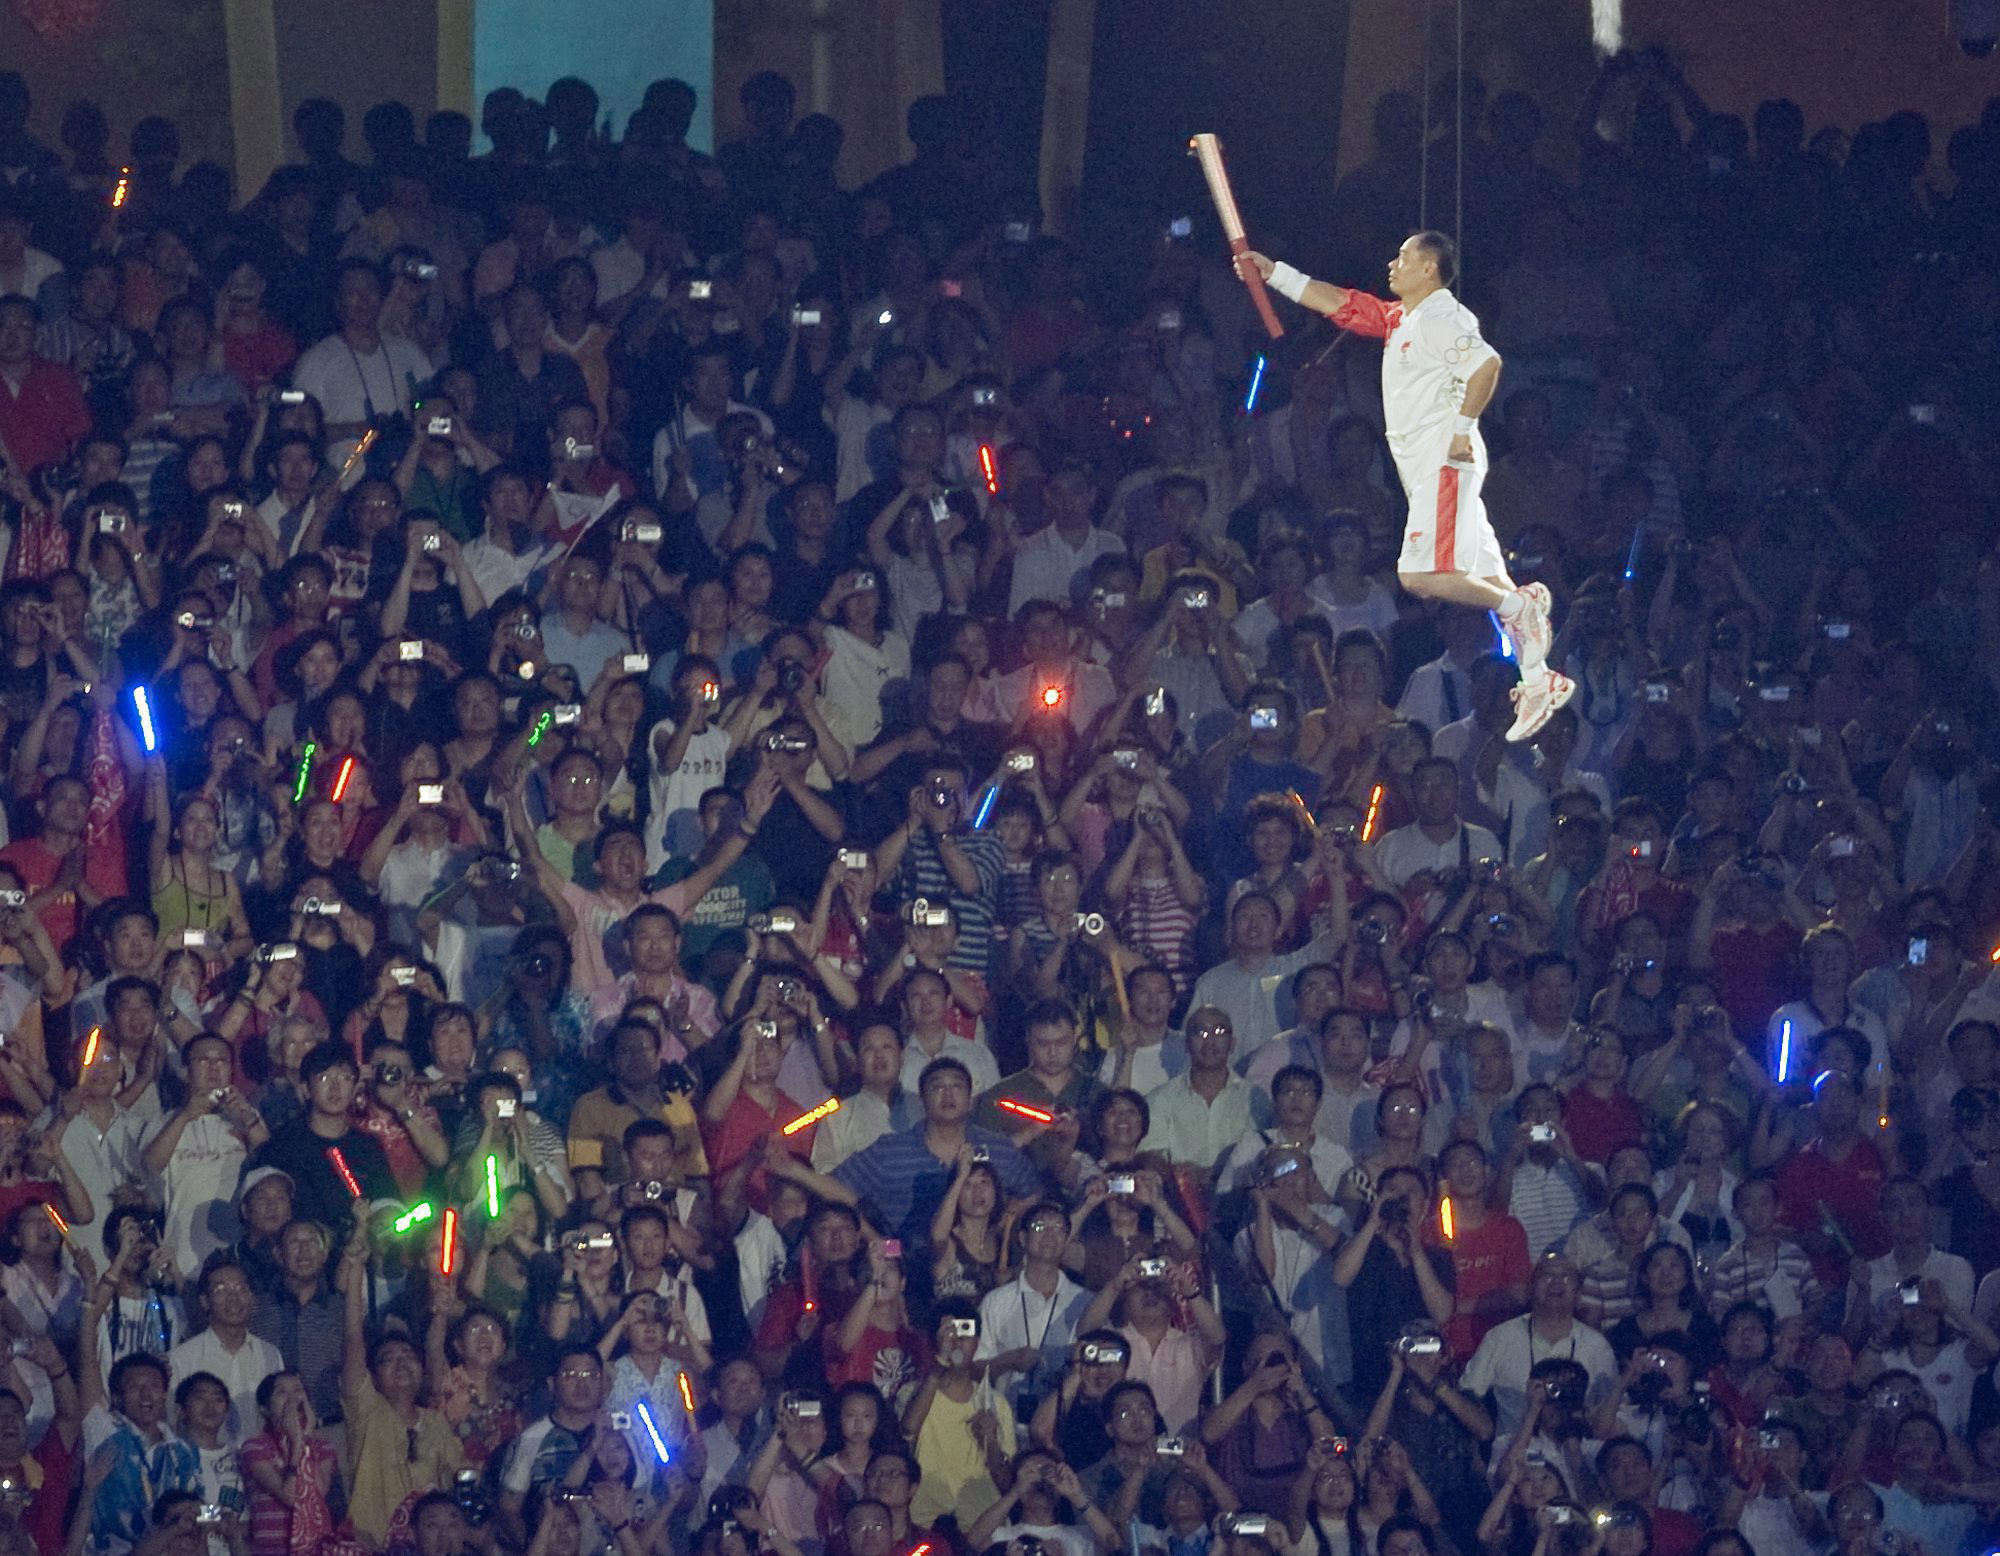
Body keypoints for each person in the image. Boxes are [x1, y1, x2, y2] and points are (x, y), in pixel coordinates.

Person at [1236, 236, 1571, 740]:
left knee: (1418, 577)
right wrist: (1274, 272)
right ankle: (1540, 677)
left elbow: (1487, 367)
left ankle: (1519, 608)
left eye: (1403, 257)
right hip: (1427, 467)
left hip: (1444, 460)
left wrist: (1460, 430)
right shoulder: (1399, 319)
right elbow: (1339, 303)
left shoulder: (1443, 317)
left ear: (1430, 267)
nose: (1392, 263)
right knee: (1488, 577)